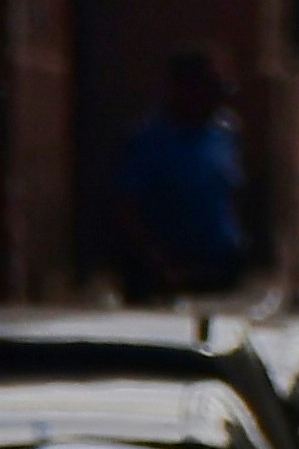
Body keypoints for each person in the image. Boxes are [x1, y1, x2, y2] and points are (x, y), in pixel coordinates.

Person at [104, 46, 249, 298]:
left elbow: (232, 194)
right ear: (183, 88)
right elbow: (127, 208)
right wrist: (160, 264)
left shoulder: (225, 133)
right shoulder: (149, 140)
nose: (218, 98)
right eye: (210, 87)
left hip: (220, 269)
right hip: (166, 273)